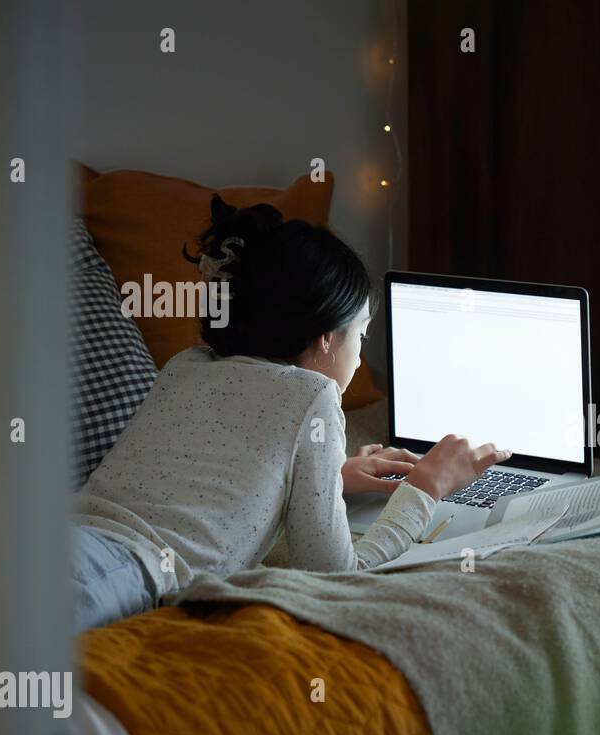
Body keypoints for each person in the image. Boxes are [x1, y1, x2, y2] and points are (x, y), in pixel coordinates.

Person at [71, 196, 509, 633]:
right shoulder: (312, 393)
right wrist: (425, 488)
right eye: (361, 332)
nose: (359, 357)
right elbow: (332, 576)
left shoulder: (185, 365)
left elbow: (211, 479)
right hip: (115, 574)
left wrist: (326, 477)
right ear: (325, 339)